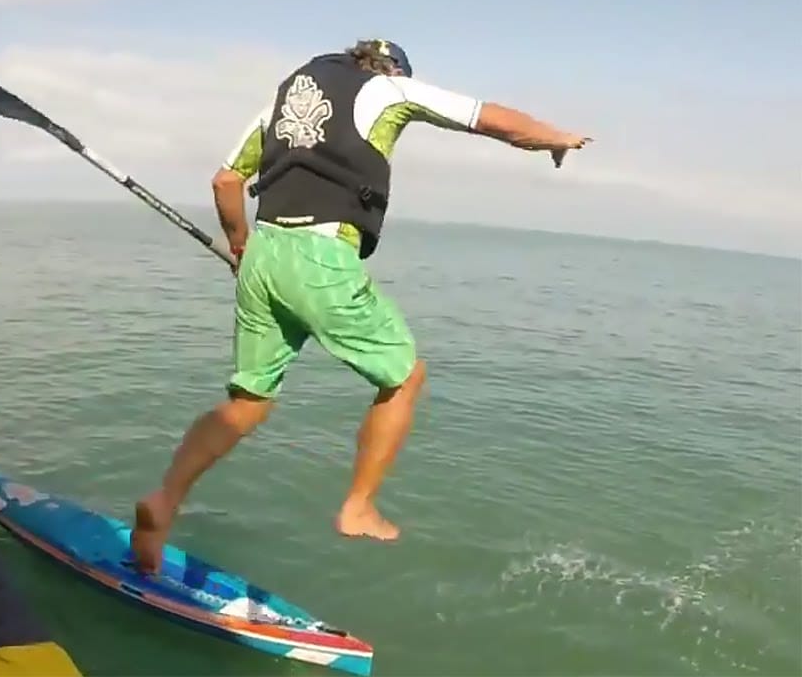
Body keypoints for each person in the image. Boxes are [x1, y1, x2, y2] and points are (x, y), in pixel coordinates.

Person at [129, 38, 591, 573]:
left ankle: (164, 500)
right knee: (404, 376)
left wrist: (239, 246)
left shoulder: (281, 107)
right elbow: (488, 119)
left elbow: (226, 180)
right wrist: (555, 138)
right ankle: (359, 506)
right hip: (322, 258)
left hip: (264, 256)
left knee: (248, 399)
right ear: (392, 68)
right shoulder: (387, 90)